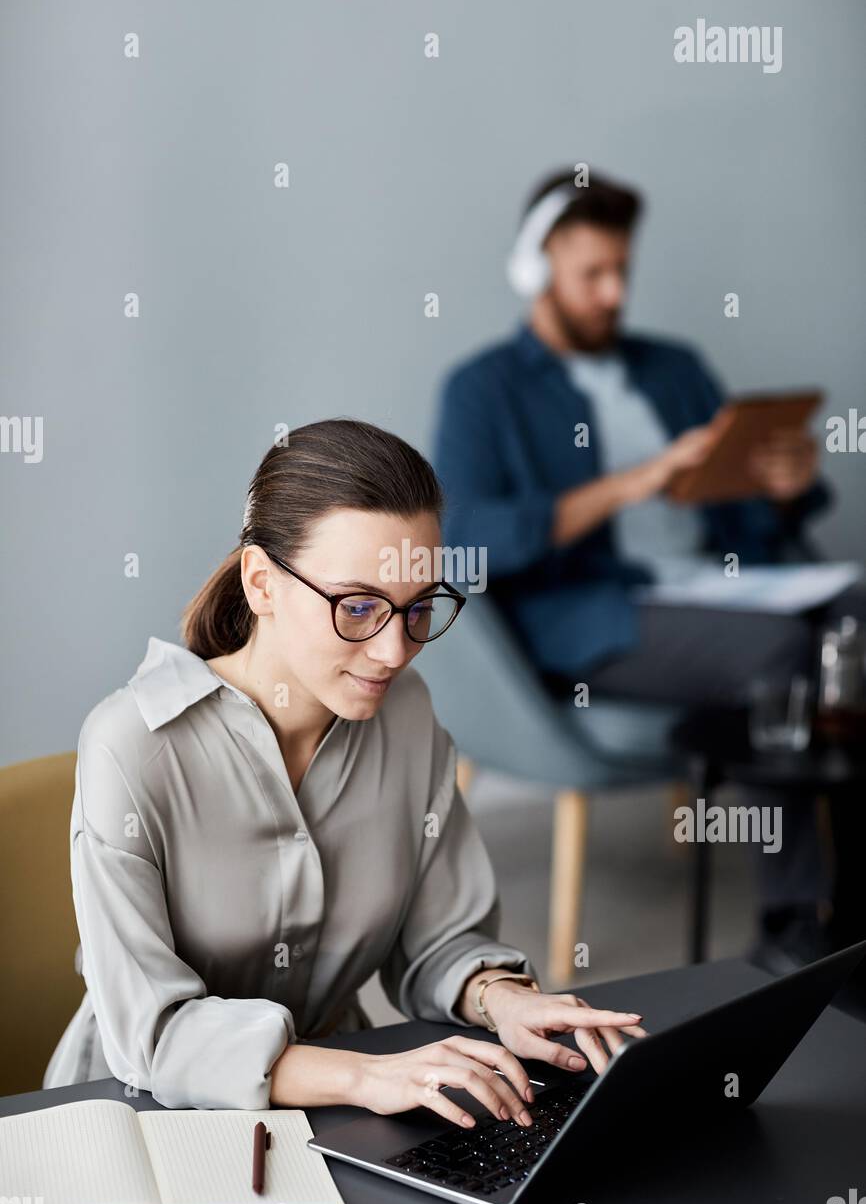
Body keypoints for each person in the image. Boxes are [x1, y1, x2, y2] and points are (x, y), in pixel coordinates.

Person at [43, 418, 646, 1116]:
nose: (395, 650)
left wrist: (500, 998)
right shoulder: (133, 746)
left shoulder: (406, 715)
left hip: (341, 1109)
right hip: (137, 1113)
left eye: (419, 609)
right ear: (262, 583)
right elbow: (155, 1037)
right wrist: (367, 1078)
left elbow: (439, 937)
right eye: (357, 607)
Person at [433, 167, 861, 976]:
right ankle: (795, 919)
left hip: (722, 583)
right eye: (591, 273)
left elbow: (743, 512)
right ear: (538, 270)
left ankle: (857, 903)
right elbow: (464, 539)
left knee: (855, 617)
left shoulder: (674, 368)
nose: (611, 292)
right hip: (596, 617)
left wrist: (785, 484)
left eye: (621, 271)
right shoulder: (482, 390)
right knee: (779, 654)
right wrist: (636, 481)